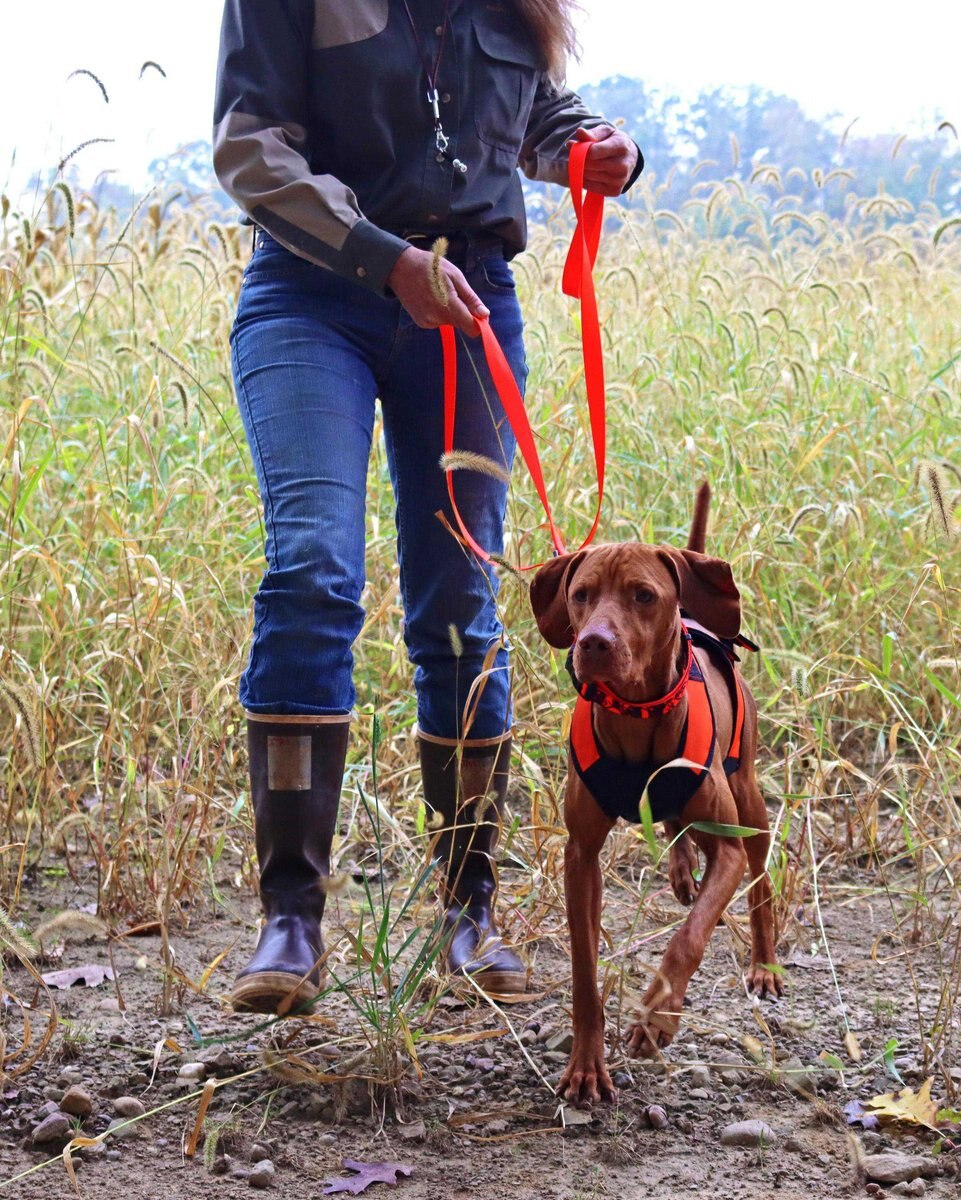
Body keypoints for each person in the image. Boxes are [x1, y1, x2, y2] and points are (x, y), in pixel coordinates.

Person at [212, 0, 641, 1013]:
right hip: (313, 295)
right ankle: (291, 921)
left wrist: (595, 150)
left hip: (469, 296)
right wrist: (385, 260)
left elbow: (533, 116)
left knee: (460, 604)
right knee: (313, 571)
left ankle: (470, 910)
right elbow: (249, 148)